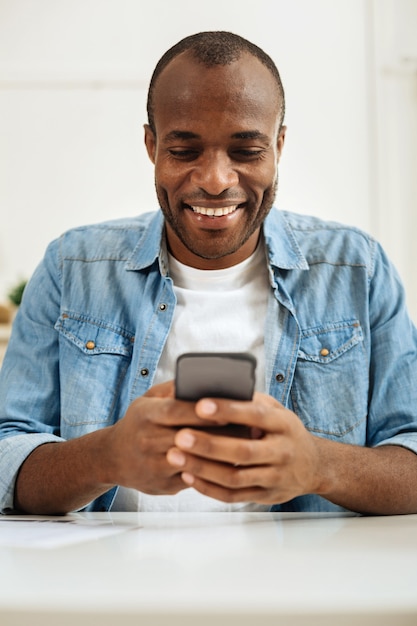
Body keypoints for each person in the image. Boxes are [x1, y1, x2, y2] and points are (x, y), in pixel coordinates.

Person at [1, 31, 417, 516]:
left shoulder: (357, 269)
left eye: (245, 152)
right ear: (151, 145)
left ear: (279, 146)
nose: (216, 180)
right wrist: (106, 456)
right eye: (184, 151)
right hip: (109, 588)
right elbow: (7, 457)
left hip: (306, 588)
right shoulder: (71, 267)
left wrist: (319, 466)